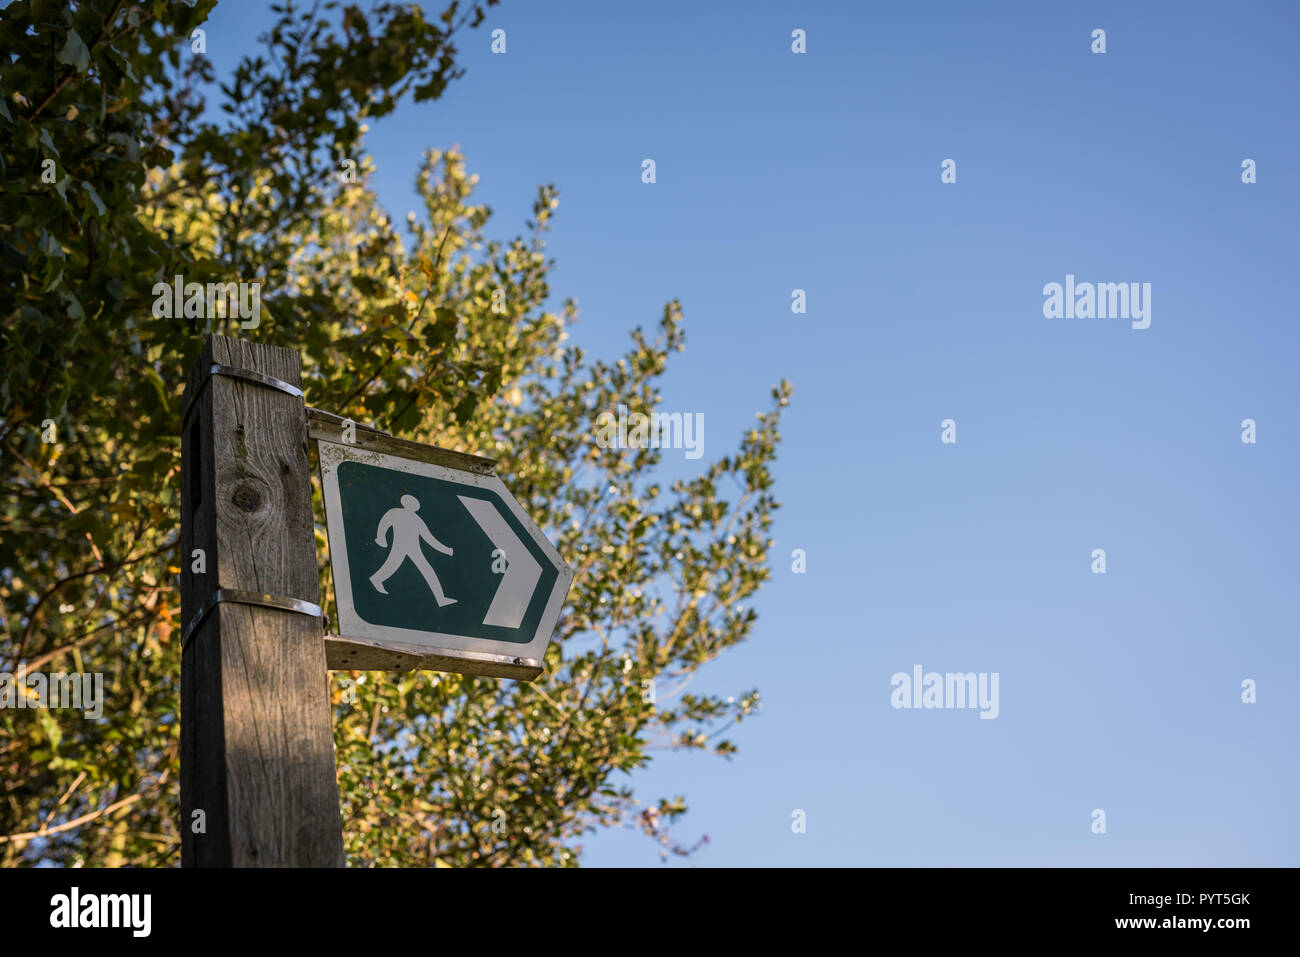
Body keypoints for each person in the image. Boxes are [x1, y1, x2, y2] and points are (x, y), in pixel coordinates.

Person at [369, 494, 457, 607]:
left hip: (413, 548)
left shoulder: (416, 519)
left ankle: (441, 599)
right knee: (393, 565)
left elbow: (429, 538)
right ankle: (376, 579)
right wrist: (381, 538)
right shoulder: (395, 512)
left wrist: (446, 550)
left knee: (424, 569)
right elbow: (384, 524)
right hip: (401, 545)